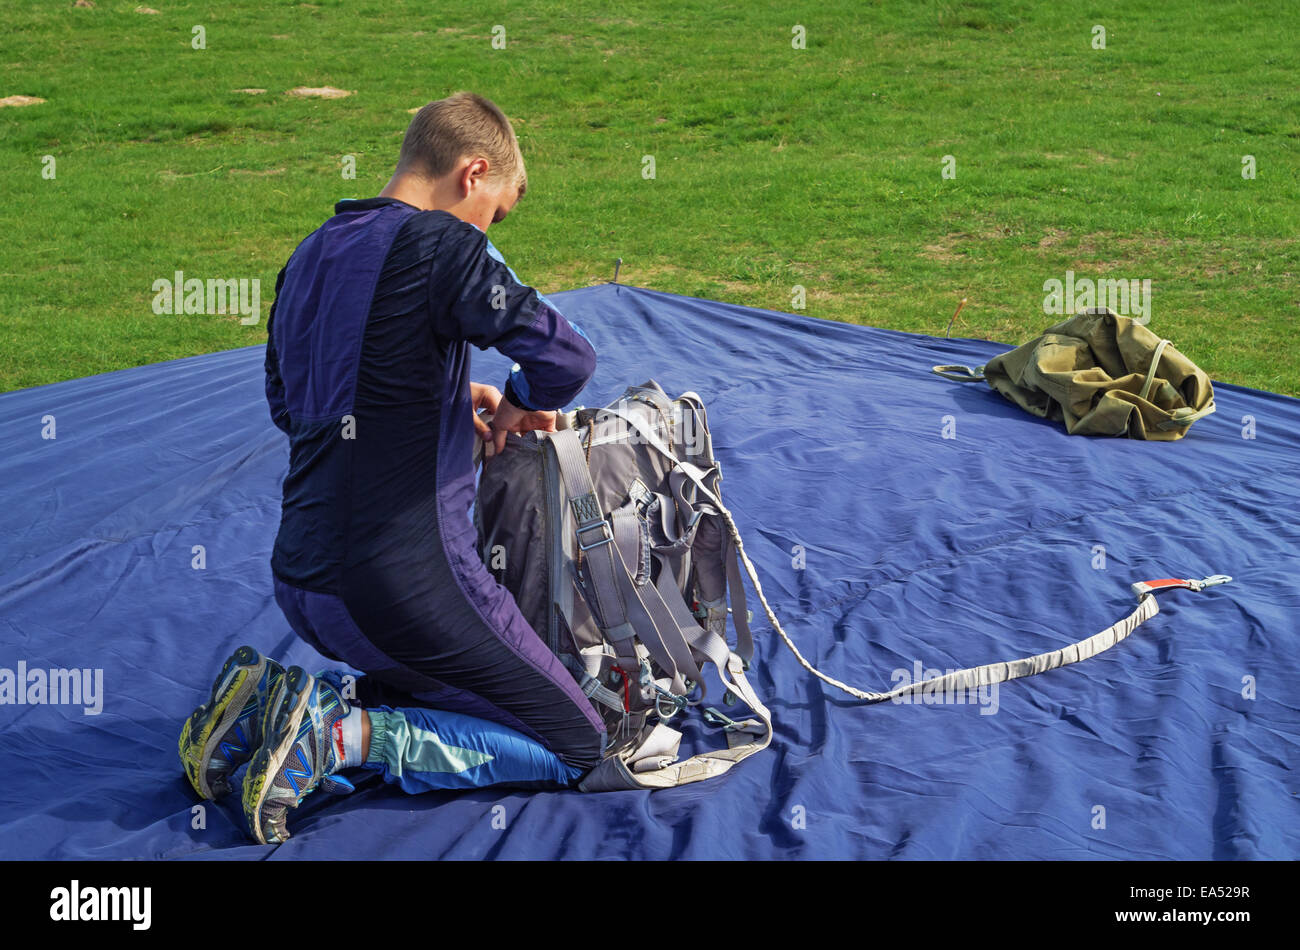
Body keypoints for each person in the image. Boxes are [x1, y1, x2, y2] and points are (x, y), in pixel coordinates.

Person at [178, 91, 608, 844]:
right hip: (405, 588)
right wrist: (513, 404)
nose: (491, 232)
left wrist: (442, 400)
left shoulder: (307, 255)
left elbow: (297, 408)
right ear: (472, 174)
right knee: (574, 741)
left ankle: (258, 709)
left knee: (451, 694)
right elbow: (565, 357)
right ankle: (335, 740)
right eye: (498, 214)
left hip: (305, 587)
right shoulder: (444, 246)